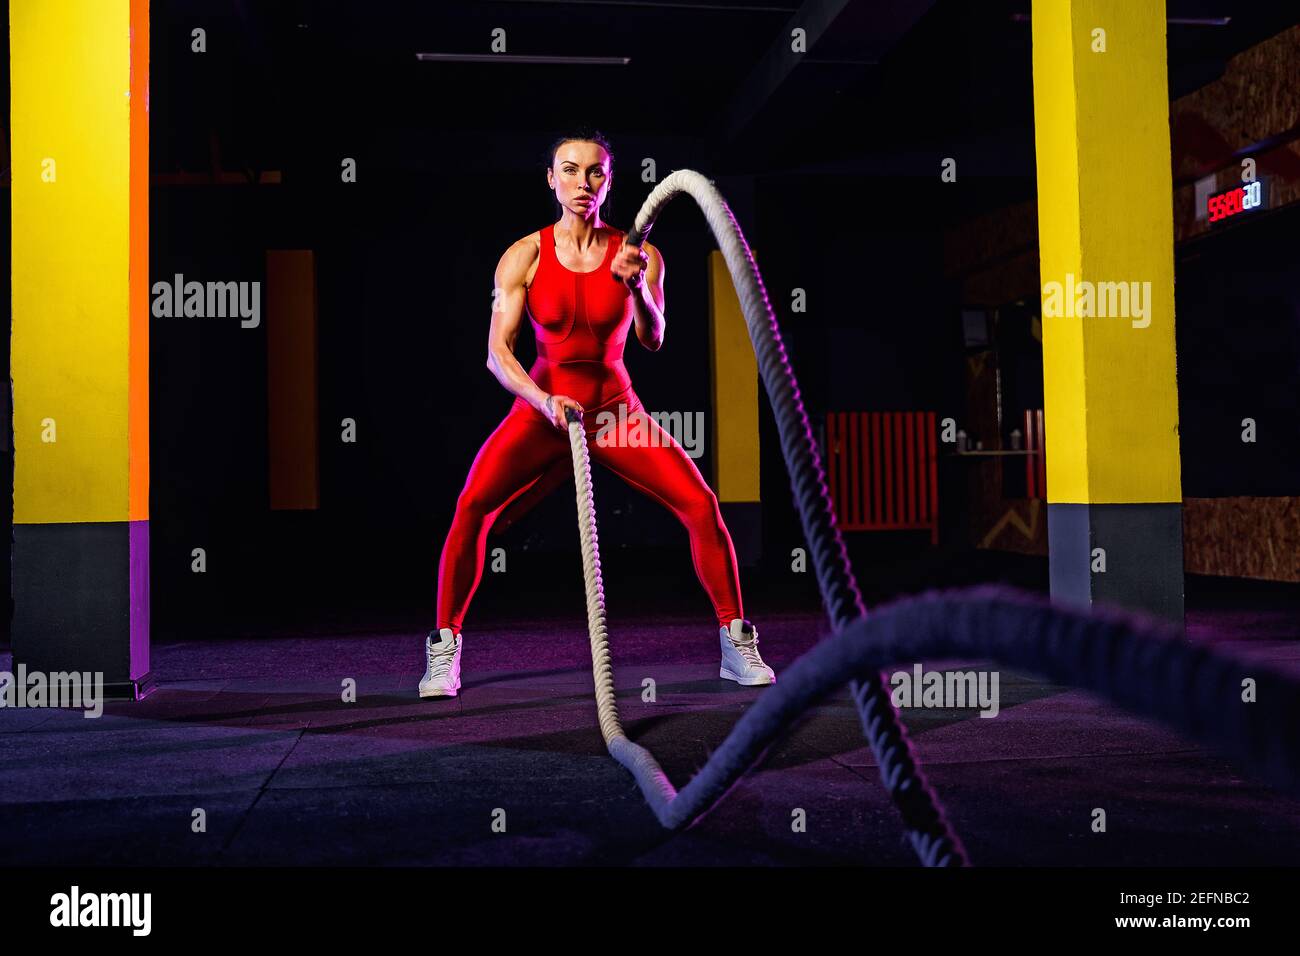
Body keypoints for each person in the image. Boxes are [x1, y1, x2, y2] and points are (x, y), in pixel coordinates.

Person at [420, 129, 775, 698]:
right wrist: (542, 401)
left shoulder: (639, 253)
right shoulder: (525, 254)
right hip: (542, 409)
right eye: (570, 169)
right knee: (472, 509)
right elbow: (496, 354)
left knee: (701, 504)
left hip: (613, 411)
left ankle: (736, 640)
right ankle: (444, 649)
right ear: (551, 179)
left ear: (609, 181)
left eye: (595, 172)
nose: (582, 182)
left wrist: (637, 288)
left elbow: (653, 338)